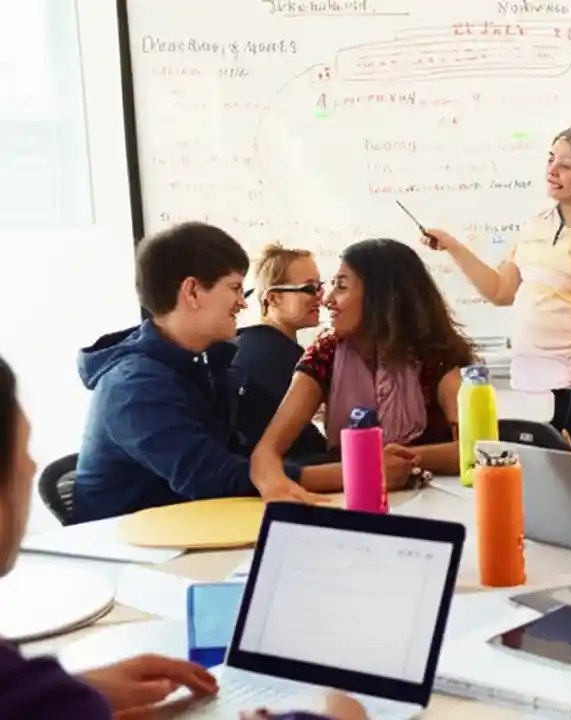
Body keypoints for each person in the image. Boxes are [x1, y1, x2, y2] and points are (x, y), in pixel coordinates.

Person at [0, 353, 368, 719]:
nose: (32, 466)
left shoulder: (207, 371)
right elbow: (217, 475)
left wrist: (82, 694)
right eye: (23, 451)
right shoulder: (135, 384)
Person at [424, 124, 571, 454]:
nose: (551, 170)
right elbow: (500, 291)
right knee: (534, 475)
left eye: (565, 165)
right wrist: (452, 245)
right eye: (550, 159)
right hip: (536, 385)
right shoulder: (537, 224)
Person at [75, 223, 310, 523]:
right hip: (126, 555)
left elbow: (242, 457)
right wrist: (350, 473)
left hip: (187, 534)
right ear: (193, 292)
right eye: (235, 288)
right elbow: (214, 478)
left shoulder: (204, 365)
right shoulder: (133, 386)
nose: (243, 302)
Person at [250, 239, 477, 498]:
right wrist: (279, 485)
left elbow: (474, 447)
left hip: (436, 502)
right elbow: (266, 453)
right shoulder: (326, 353)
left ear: (381, 298)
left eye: (341, 287)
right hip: (352, 498)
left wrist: (404, 458)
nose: (327, 300)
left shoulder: (435, 356)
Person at [234, 242, 328, 460]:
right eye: (308, 289)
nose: (320, 297)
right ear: (273, 298)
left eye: (319, 287)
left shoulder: (248, 342)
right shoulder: (275, 356)